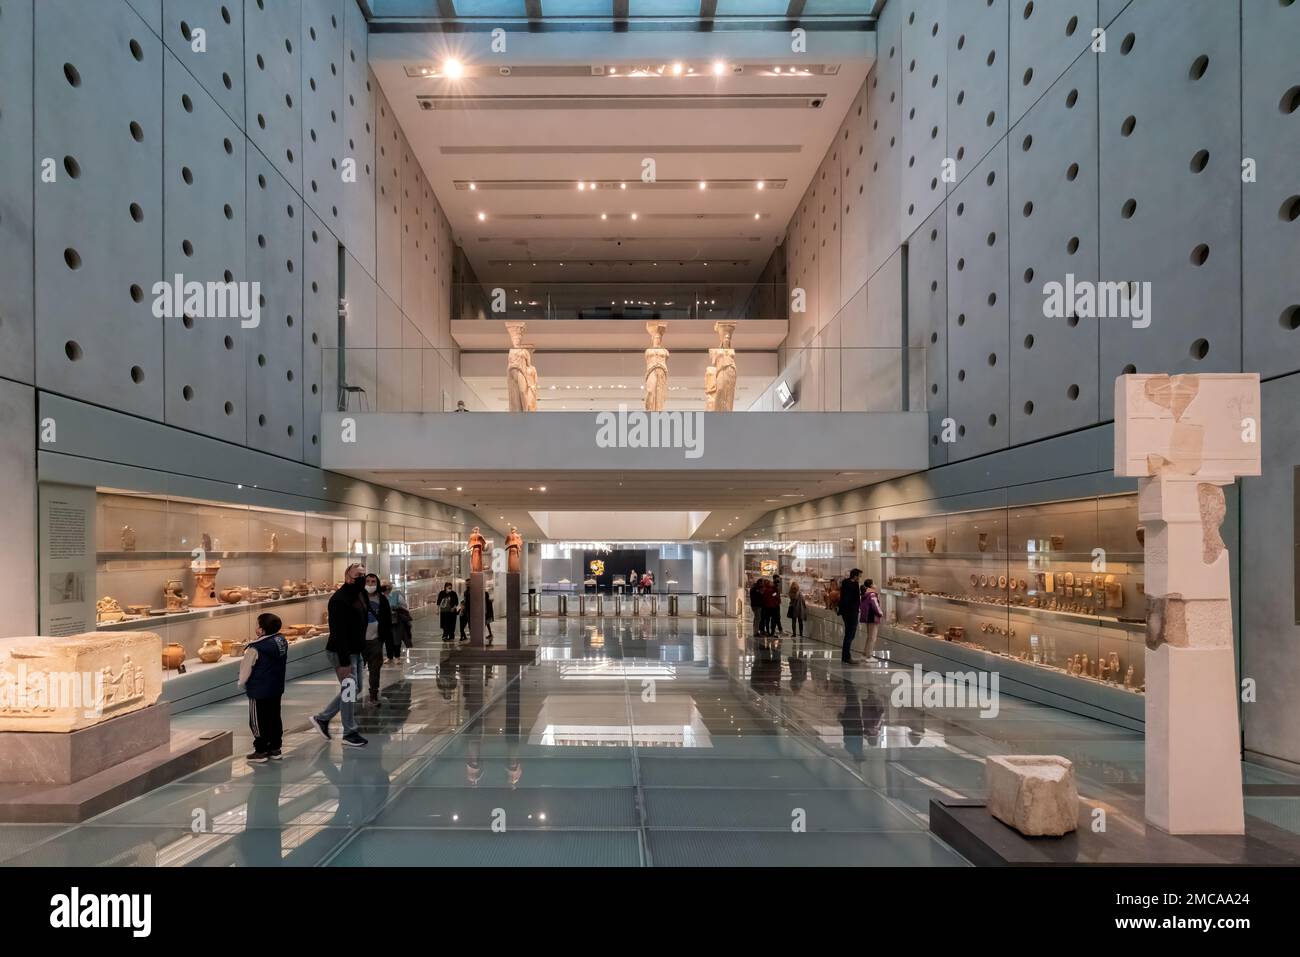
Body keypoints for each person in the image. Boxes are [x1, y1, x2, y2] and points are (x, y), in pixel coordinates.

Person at [312, 563, 369, 747]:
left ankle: (322, 718)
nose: (360, 578)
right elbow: (338, 633)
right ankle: (349, 732)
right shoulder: (339, 600)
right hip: (341, 652)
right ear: (347, 577)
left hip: (355, 650)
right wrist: (344, 662)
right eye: (356, 575)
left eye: (363, 574)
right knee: (349, 689)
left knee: (355, 688)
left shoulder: (361, 594)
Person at [239, 612, 288, 762]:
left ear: (261, 630)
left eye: (257, 624)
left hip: (258, 690)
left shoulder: (255, 648)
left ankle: (260, 750)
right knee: (274, 717)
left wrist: (242, 682)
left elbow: (245, 669)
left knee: (257, 720)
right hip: (276, 688)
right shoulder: (281, 641)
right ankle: (275, 747)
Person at [361, 573, 393, 706]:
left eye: (373, 581)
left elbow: (387, 619)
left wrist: (384, 637)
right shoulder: (359, 598)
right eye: (367, 581)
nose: (370, 584)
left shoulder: (382, 599)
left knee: (375, 669)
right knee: (356, 670)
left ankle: (373, 694)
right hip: (360, 640)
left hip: (376, 640)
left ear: (377, 583)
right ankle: (349, 699)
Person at [837, 568, 863, 665]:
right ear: (855, 576)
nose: (860, 578)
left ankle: (845, 656)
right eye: (859, 576)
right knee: (850, 634)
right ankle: (846, 657)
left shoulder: (845, 582)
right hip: (851, 612)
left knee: (849, 634)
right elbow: (854, 599)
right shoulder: (853, 585)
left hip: (846, 612)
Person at [858, 577, 884, 663]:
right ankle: (869, 656)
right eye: (873, 583)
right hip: (873, 617)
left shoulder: (865, 594)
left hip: (867, 617)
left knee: (869, 637)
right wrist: (880, 613)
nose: (875, 585)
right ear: (870, 585)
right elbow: (875, 605)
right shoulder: (872, 594)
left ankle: (864, 654)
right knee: (872, 637)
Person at [384, 583, 412, 659]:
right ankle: (389, 656)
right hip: (386, 622)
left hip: (396, 621)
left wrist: (396, 608)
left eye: (385, 587)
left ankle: (397, 656)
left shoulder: (396, 595)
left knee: (397, 638)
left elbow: (404, 607)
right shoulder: (380, 597)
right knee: (388, 639)